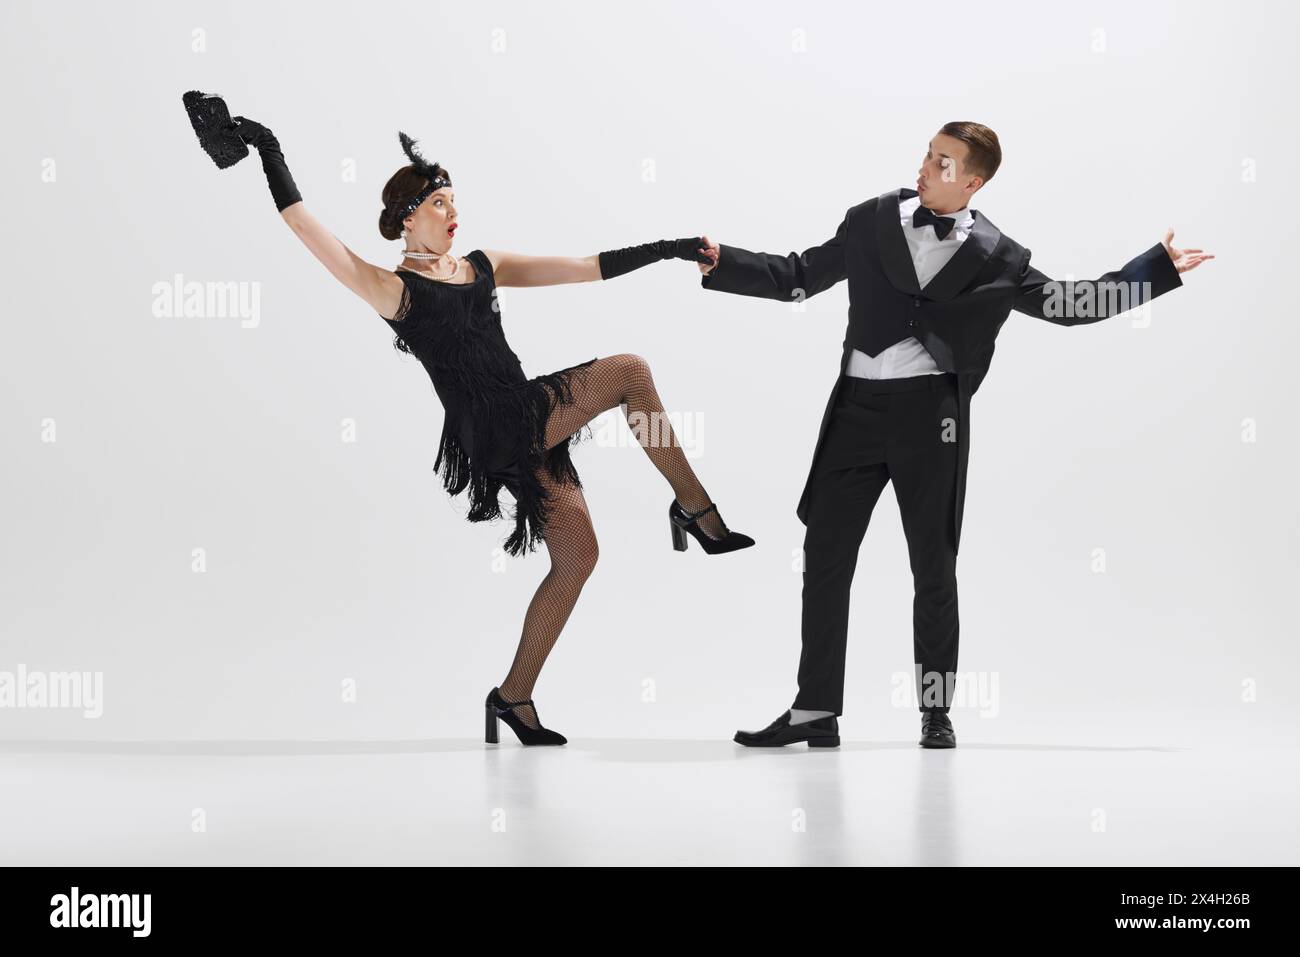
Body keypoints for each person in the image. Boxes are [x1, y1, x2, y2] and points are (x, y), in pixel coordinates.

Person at [216, 116, 755, 747]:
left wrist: (669, 248)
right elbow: (306, 225)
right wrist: (268, 148)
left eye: (454, 203)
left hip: (529, 419)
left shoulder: (483, 265)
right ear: (406, 218)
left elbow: (583, 266)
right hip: (495, 426)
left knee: (578, 558)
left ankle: (512, 697)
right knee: (629, 372)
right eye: (439, 204)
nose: (452, 215)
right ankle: (695, 508)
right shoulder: (393, 290)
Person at [694, 122, 1213, 749]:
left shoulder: (1002, 257)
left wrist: (1153, 272)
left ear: (973, 181)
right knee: (826, 562)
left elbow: (1073, 305)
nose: (926, 166)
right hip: (856, 412)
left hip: (931, 420)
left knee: (933, 568)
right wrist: (727, 263)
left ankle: (935, 713)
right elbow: (799, 274)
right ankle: (814, 711)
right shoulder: (871, 220)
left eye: (943, 162)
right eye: (927, 154)